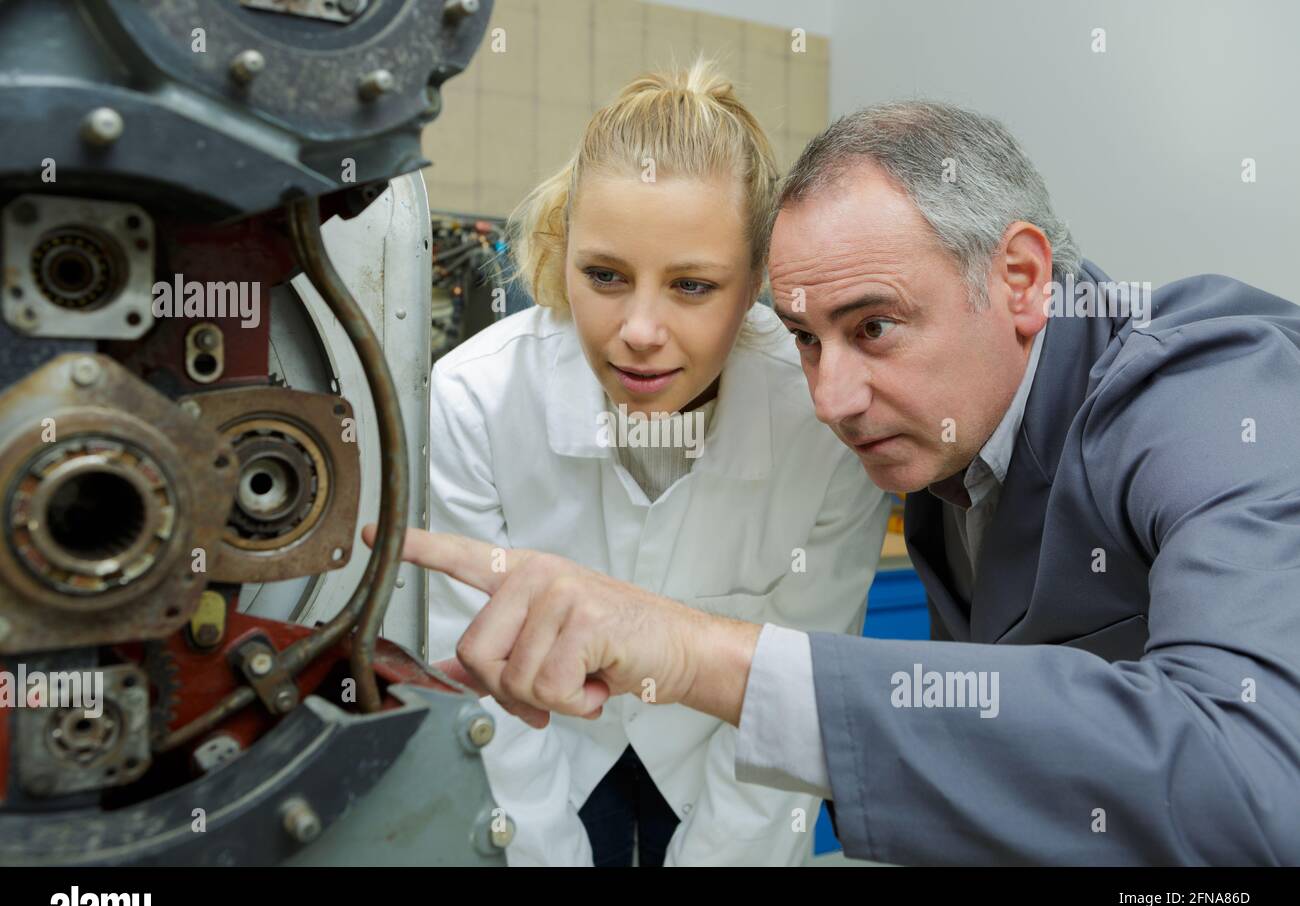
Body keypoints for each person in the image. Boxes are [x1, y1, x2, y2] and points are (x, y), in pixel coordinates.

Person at [366, 99, 1300, 865]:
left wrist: (696, 655)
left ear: (1020, 278)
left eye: (876, 326)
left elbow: (1257, 785)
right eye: (805, 337)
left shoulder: (1214, 389)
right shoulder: (952, 463)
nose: (829, 398)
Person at [418, 60, 890, 866]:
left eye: (693, 287)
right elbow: (486, 694)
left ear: (754, 288)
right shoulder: (476, 398)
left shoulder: (824, 419)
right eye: (605, 275)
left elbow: (790, 697)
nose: (639, 329)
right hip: (546, 766)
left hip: (733, 779)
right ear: (563, 255)